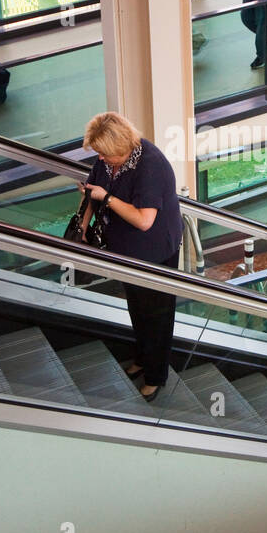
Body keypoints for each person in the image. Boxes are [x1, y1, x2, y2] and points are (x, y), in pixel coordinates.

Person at [79, 112, 184, 403]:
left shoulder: (151, 166)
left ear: (121, 147)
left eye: (104, 153)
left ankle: (155, 376)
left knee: (157, 315)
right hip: (126, 251)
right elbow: (92, 191)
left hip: (155, 252)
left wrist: (108, 199)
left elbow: (144, 220)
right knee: (137, 308)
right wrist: (83, 229)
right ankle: (142, 357)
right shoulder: (107, 160)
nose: (100, 159)